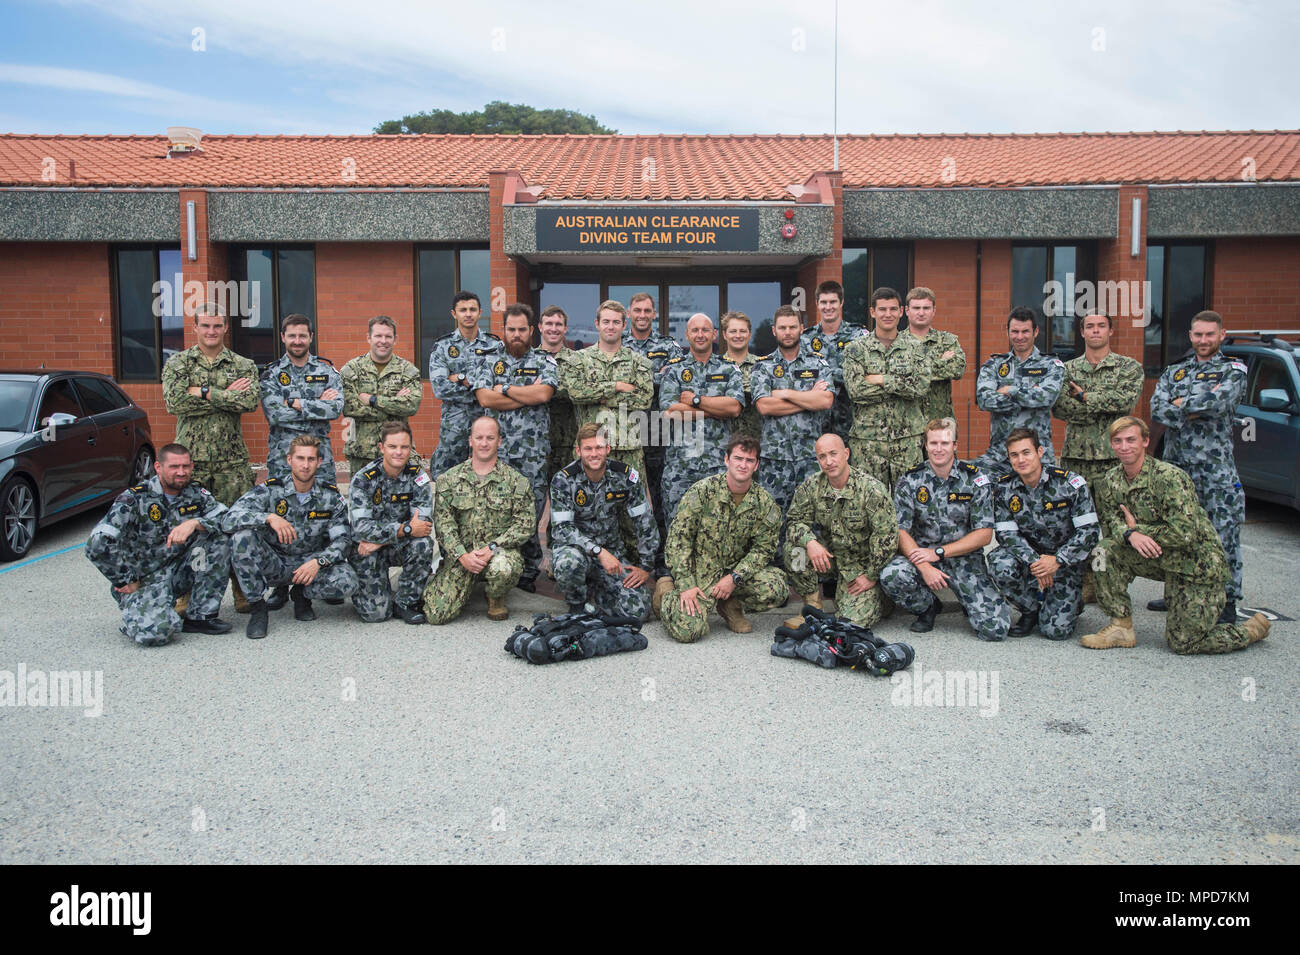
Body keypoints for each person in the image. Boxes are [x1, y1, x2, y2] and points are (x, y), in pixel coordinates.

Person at [1080, 417, 1269, 653]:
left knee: (1185, 643)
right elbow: (1110, 521)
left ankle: (1249, 631)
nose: (1124, 446)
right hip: (1158, 556)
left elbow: (1185, 533)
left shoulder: (1170, 478)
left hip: (1195, 564)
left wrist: (1138, 531)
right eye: (1117, 441)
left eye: (1131, 440)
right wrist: (1129, 533)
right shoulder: (1110, 480)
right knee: (1102, 551)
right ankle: (1121, 626)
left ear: (1146, 441)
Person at [1149, 310, 1248, 622]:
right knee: (1179, 533)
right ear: (1190, 336)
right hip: (1177, 468)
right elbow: (1156, 408)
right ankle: (1178, 591)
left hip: (1215, 470)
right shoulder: (1175, 371)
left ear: (1221, 335)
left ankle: (1228, 600)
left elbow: (1218, 404)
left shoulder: (1234, 370)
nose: (1203, 340)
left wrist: (1180, 403)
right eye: (1198, 334)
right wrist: (1191, 406)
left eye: (1209, 334)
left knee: (1223, 534)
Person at [85, 443, 232, 645]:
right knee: (155, 634)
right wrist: (124, 579)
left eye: (186, 466)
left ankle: (200, 616)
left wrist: (195, 523)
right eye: (174, 467)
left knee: (219, 539)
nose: (181, 472)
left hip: (180, 571)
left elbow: (226, 517)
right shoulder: (134, 499)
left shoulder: (196, 493)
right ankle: (140, 615)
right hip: (145, 580)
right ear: (158, 467)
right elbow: (97, 543)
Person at [880, 418, 1010, 641]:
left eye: (944, 443)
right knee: (892, 574)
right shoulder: (910, 480)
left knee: (995, 630)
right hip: (922, 557)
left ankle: (971, 603)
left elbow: (985, 534)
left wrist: (939, 552)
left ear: (955, 446)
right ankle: (928, 607)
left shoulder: (976, 480)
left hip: (964, 559)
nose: (938, 449)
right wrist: (924, 565)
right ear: (926, 445)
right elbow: (901, 531)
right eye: (933, 443)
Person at [656, 435, 790, 641]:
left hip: (734, 575)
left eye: (749, 460)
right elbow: (678, 540)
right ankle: (665, 592)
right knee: (688, 631)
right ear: (726, 460)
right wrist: (686, 584)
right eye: (738, 458)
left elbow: (764, 550)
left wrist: (735, 578)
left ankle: (729, 605)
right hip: (700, 573)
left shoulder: (765, 504)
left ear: (756, 465)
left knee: (776, 588)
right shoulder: (702, 492)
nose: (743, 465)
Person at [223, 434, 358, 639]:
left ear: (319, 462)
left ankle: (301, 595)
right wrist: (268, 517)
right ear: (289, 460)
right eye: (300, 458)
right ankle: (259, 609)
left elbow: (343, 541)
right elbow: (229, 519)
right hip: (275, 562)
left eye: (311, 459)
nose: (305, 465)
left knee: (348, 580)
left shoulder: (330, 496)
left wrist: (319, 562)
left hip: (309, 565)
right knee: (241, 538)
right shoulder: (270, 490)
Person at [1051, 311, 1143, 602]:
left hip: (1112, 460)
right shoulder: (1067, 370)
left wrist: (1084, 397)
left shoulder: (1128, 367)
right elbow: (1059, 408)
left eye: (1101, 326)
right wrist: (1102, 403)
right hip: (1075, 458)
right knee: (1076, 523)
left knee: (1111, 524)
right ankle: (1084, 581)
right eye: (1089, 326)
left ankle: (1108, 580)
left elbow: (1125, 401)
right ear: (1082, 332)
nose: (1095, 331)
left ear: (1110, 331)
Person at [472, 303, 557, 592]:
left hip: (532, 454)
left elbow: (544, 393)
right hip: (497, 452)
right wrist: (526, 395)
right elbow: (485, 399)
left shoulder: (545, 361)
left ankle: (528, 571)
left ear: (531, 331)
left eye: (522, 330)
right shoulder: (487, 361)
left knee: (530, 512)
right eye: (512, 330)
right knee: (496, 510)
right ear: (504, 330)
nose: (517, 335)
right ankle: (498, 566)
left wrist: (505, 389)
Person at [987, 429, 1099, 640]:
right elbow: (1007, 535)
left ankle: (1071, 601)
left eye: (1026, 452)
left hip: (1065, 561)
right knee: (999, 562)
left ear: (1040, 451)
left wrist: (1058, 560)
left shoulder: (1069, 484)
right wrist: (1037, 562)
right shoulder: (1004, 488)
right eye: (1014, 455)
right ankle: (1030, 609)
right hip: (1031, 559)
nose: (1021, 459)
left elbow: (1089, 532)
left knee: (1055, 632)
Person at [423, 416, 536, 624]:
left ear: (499, 441)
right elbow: (443, 525)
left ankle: (495, 595)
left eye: (490, 438)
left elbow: (524, 525)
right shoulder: (449, 480)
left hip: (498, 552)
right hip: (463, 554)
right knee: (436, 615)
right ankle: (465, 582)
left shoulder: (516, 481)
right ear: (470, 440)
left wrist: (493, 547)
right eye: (479, 437)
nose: (484, 443)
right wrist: (461, 555)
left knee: (504, 568)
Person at [783, 434, 897, 629]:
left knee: (850, 624)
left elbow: (887, 538)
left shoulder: (870, 490)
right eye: (822, 456)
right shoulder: (812, 486)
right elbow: (794, 521)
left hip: (861, 566)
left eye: (833, 454)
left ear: (846, 454)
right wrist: (811, 542)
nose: (828, 462)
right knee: (795, 550)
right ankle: (813, 607)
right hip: (831, 557)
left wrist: (870, 576)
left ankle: (880, 599)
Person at [550, 423, 658, 620]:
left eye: (599, 447)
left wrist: (645, 566)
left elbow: (644, 521)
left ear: (608, 449)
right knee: (568, 563)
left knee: (639, 610)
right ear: (578, 451)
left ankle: (596, 593)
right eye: (588, 449)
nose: (594, 454)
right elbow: (562, 530)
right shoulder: (563, 480)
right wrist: (598, 551)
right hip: (576, 550)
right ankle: (577, 605)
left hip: (612, 555)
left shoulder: (624, 476)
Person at [658, 313, 744, 527]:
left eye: (705, 330)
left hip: (718, 465)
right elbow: (670, 410)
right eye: (695, 330)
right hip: (681, 466)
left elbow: (734, 408)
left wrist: (696, 400)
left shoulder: (728, 368)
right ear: (686, 335)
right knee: (679, 528)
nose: (700, 335)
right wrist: (715, 409)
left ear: (714, 334)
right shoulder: (674, 370)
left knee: (719, 529)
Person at [750, 305, 836, 515]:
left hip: (810, 458)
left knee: (813, 520)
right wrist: (808, 398)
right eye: (782, 328)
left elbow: (825, 401)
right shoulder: (763, 366)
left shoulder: (817, 363)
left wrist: (785, 393)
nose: (787, 332)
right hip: (775, 461)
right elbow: (764, 406)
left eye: (792, 327)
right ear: (774, 331)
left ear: (801, 328)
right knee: (773, 522)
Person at [841, 287, 929, 491]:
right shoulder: (856, 349)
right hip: (867, 442)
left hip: (907, 439)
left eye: (892, 309)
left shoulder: (917, 348)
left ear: (901, 311)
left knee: (910, 499)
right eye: (882, 309)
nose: (887, 314)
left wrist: (881, 379)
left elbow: (921, 386)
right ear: (872, 312)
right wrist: (901, 385)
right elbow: (856, 390)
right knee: (868, 501)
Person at [348, 421, 434, 624]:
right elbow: (361, 528)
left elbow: (422, 526)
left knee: (422, 544)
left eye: (404, 447)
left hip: (389, 544)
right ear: (381, 448)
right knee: (376, 615)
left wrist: (381, 539)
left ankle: (405, 602)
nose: (399, 452)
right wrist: (405, 529)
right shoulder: (364, 480)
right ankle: (375, 593)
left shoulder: (417, 476)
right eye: (392, 447)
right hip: (368, 550)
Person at [558, 300, 654, 478]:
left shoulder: (639, 362)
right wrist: (616, 386)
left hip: (628, 450)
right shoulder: (579, 360)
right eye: (606, 322)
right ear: (597, 324)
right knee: (589, 502)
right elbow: (576, 392)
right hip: (590, 449)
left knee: (630, 502)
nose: (611, 327)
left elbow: (644, 399)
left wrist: (600, 397)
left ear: (624, 325)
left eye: (616, 322)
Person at [622, 292, 683, 576]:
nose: (643, 315)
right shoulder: (618, 344)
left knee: (658, 494)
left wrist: (633, 380)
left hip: (658, 424)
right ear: (629, 313)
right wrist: (654, 376)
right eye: (638, 310)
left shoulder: (668, 345)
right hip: (624, 425)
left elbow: (675, 378)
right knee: (625, 490)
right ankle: (629, 551)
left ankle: (660, 558)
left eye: (647, 310)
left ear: (654, 314)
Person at [975, 307, 1066, 476]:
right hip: (999, 456)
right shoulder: (994, 365)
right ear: (1007, 332)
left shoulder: (1051, 364)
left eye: (1025, 331)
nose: (1019, 337)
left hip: (1038, 455)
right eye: (1015, 331)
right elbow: (983, 399)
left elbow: (1047, 398)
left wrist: (1010, 390)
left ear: (1036, 331)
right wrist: (1031, 395)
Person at [427, 291, 503, 478]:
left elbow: (501, 384)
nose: (468, 314)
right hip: (454, 427)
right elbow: (440, 388)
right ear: (454, 314)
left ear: (480, 313)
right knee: (447, 478)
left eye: (472, 309)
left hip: (487, 422)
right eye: (463, 310)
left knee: (489, 476)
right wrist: (480, 389)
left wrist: (458, 378)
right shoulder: (443, 347)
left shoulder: (494, 345)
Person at [259, 314, 343, 484]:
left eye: (302, 336)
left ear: (310, 337)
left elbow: (335, 409)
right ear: (283, 337)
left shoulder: (326, 372)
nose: (297, 341)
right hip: (283, 459)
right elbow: (276, 415)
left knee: (323, 507)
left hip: (320, 458)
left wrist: (295, 403)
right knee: (282, 507)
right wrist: (318, 406)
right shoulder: (271, 374)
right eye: (292, 336)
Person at [340, 315, 423, 478]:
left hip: (398, 452)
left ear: (395, 339)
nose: (383, 341)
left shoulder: (408, 370)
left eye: (388, 336)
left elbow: (411, 406)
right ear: (369, 338)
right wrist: (394, 405)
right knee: (362, 501)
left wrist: (372, 400)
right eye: (378, 336)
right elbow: (348, 407)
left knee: (400, 499)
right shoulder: (351, 370)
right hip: (362, 454)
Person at [802, 279, 863, 439]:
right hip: (814, 425)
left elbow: (863, 376)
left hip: (851, 425)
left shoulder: (859, 336)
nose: (828, 307)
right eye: (824, 302)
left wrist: (823, 376)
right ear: (817, 303)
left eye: (833, 302)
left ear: (841, 302)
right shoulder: (805, 339)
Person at [903, 287, 966, 423]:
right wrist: (941, 362)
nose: (921, 313)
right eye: (916, 308)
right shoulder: (897, 342)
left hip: (941, 423)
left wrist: (914, 370)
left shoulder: (947, 340)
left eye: (926, 308)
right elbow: (897, 377)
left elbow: (957, 369)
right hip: (907, 427)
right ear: (907, 311)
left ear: (934, 311)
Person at [538, 305, 577, 488]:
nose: (553, 328)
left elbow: (578, 391)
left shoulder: (577, 361)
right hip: (536, 442)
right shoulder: (530, 360)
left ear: (565, 328)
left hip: (569, 441)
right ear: (540, 327)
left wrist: (541, 389)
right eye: (549, 323)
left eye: (558, 324)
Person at [720, 310, 762, 439]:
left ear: (750, 334)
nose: (738, 335)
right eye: (733, 331)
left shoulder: (763, 366)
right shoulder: (715, 367)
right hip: (722, 441)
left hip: (757, 440)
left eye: (742, 331)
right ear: (724, 335)